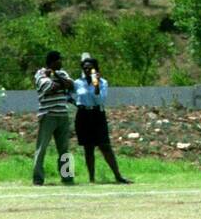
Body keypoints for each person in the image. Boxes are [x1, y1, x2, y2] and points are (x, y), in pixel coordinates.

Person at [73, 53, 132, 184]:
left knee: (105, 145)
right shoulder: (77, 83)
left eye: (90, 68)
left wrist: (96, 86)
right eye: (85, 68)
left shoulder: (103, 82)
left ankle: (118, 176)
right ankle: (92, 178)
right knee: (88, 148)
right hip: (83, 115)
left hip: (97, 114)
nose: (88, 70)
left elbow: (100, 99)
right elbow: (72, 96)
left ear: (96, 69)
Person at [32, 51, 75, 186]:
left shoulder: (62, 73)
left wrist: (55, 76)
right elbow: (48, 87)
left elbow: (71, 85)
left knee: (64, 149)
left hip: (62, 114)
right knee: (42, 148)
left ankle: (67, 176)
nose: (61, 63)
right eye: (59, 61)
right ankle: (38, 178)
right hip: (48, 115)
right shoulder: (40, 73)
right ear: (52, 62)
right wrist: (60, 84)